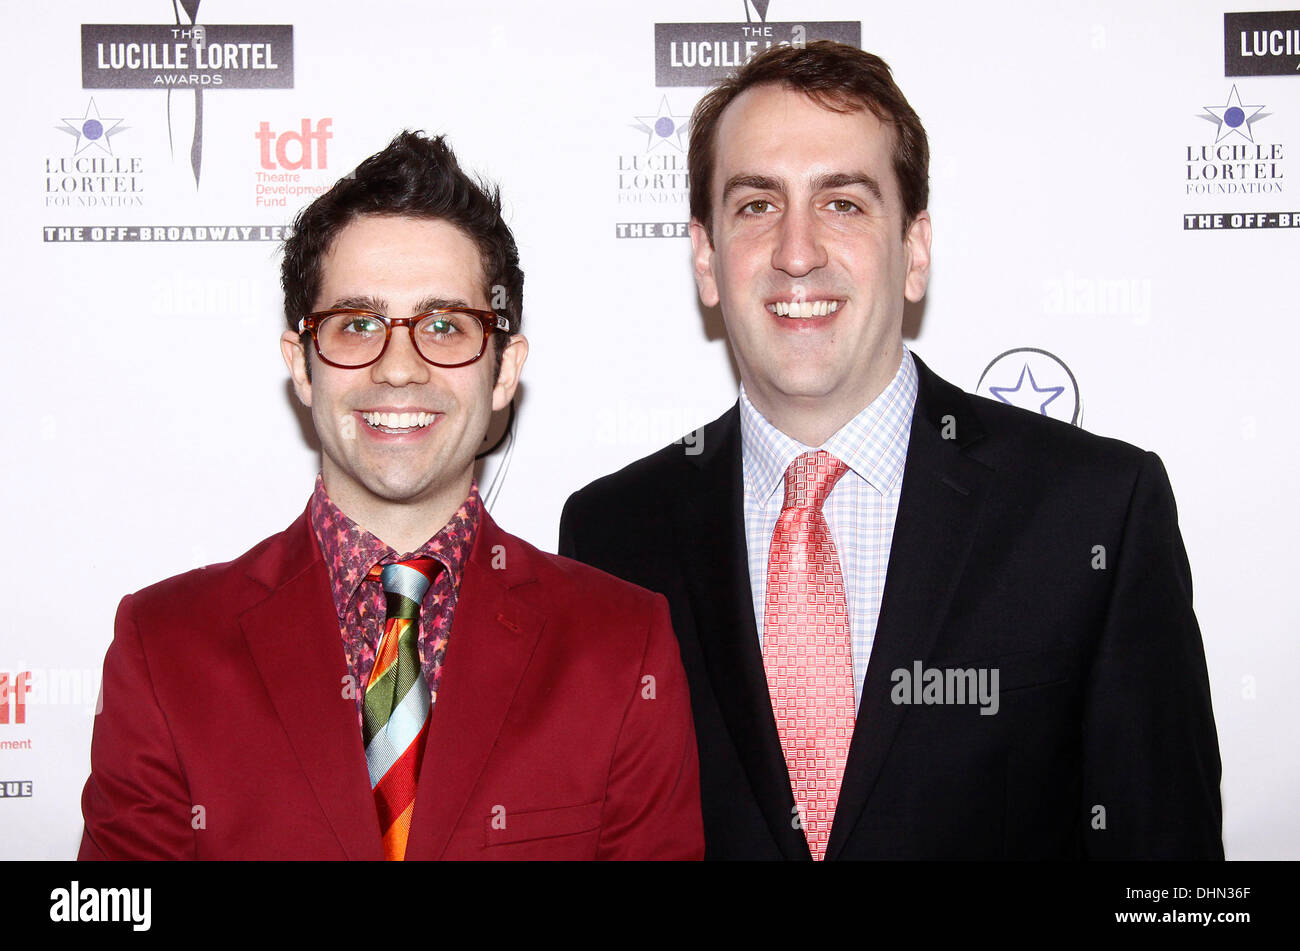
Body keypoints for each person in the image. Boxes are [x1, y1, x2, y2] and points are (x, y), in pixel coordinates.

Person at [559, 42, 1223, 860]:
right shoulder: (613, 536)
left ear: (914, 251)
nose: (796, 251)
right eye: (756, 204)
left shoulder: (1095, 512)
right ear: (706, 258)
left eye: (843, 203)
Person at [79, 131, 703, 861]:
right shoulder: (164, 646)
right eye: (357, 324)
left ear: (504, 370)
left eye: (444, 325)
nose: (400, 367)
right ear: (303, 366)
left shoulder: (622, 646)